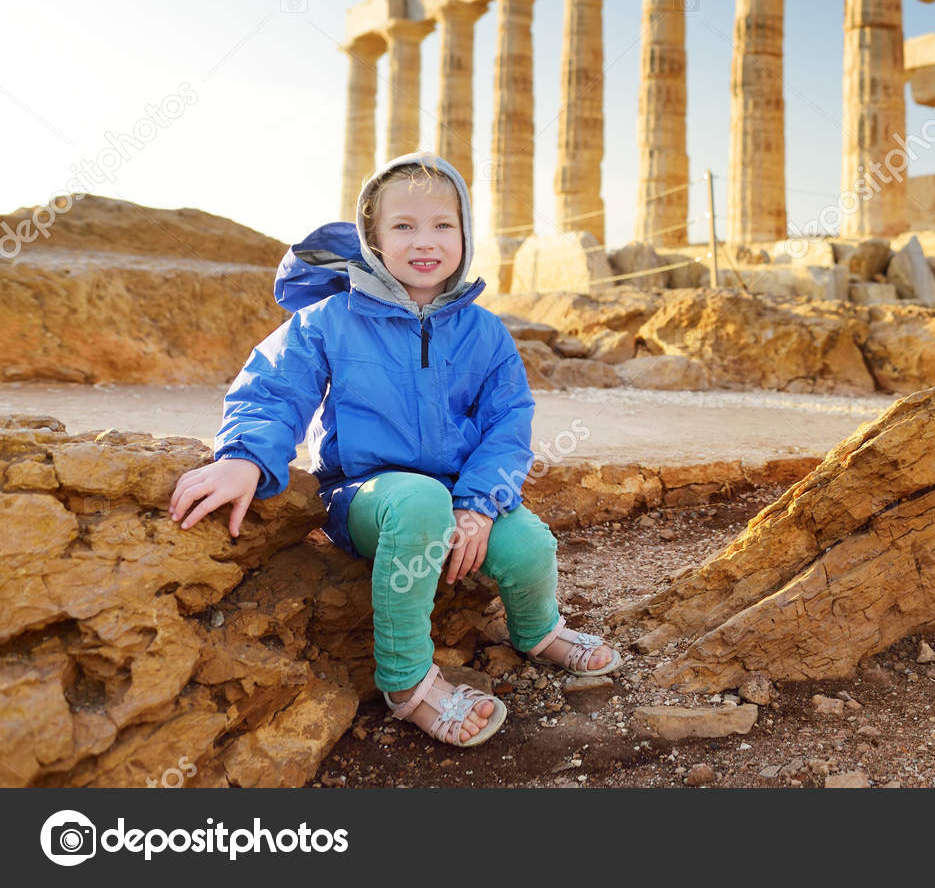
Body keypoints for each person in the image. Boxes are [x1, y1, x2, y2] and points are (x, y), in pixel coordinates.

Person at [167, 151, 618, 749]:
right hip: (366, 500)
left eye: (443, 225)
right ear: (372, 239)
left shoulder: (485, 331)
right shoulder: (330, 318)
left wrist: (479, 505)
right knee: (416, 503)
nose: (424, 241)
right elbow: (275, 386)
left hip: (460, 499)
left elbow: (509, 423)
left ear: (465, 235)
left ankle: (537, 630)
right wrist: (244, 456)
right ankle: (407, 684)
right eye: (403, 226)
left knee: (530, 543)